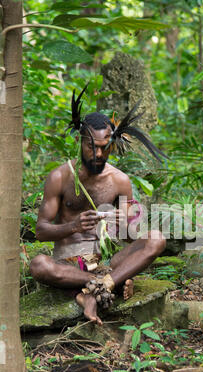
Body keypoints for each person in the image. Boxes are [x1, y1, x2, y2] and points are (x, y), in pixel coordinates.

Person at [30, 88, 167, 327]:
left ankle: (97, 287)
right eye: (91, 147)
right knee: (39, 265)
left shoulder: (120, 181)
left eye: (105, 147)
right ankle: (107, 282)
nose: (98, 153)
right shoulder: (59, 177)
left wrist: (121, 224)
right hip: (66, 264)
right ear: (79, 141)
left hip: (104, 261)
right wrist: (73, 226)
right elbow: (40, 231)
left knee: (156, 239)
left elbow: (129, 236)